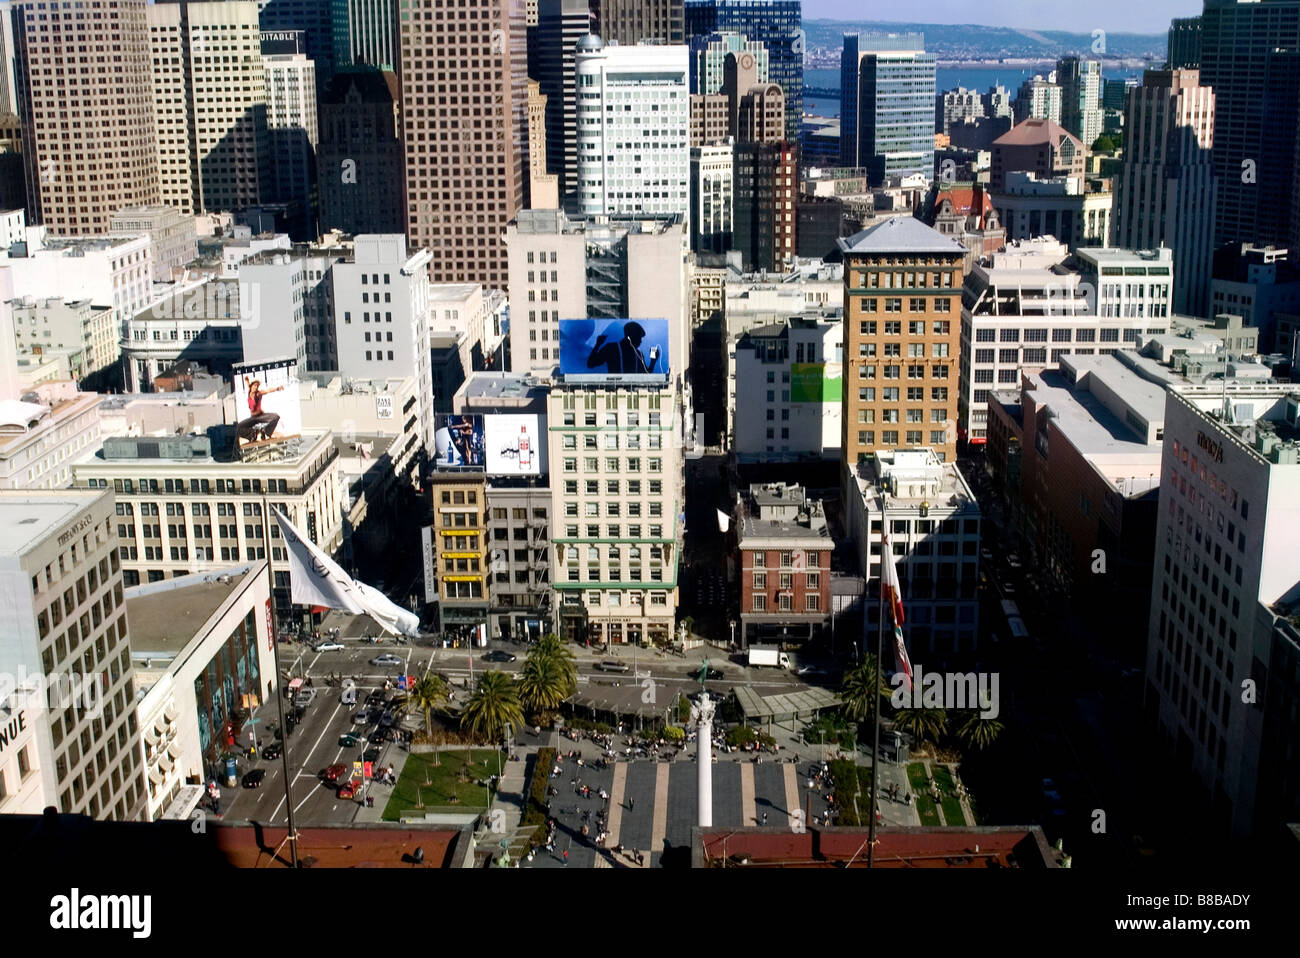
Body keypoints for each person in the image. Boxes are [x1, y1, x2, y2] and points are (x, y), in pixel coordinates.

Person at [586, 321, 660, 375]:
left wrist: (653, 360)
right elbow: (590, 364)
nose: (640, 341)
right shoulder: (611, 349)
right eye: (638, 337)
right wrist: (598, 344)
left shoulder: (638, 354)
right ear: (630, 337)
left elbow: (646, 375)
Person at [236, 377, 285, 443]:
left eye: (257, 386)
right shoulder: (249, 392)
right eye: (255, 385)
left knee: (276, 417)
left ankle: (265, 431)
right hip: (253, 418)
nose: (256, 387)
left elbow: (268, 390)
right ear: (251, 386)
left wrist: (277, 388)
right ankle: (252, 435)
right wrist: (247, 381)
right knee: (238, 427)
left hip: (261, 416)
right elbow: (248, 386)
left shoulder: (258, 393)